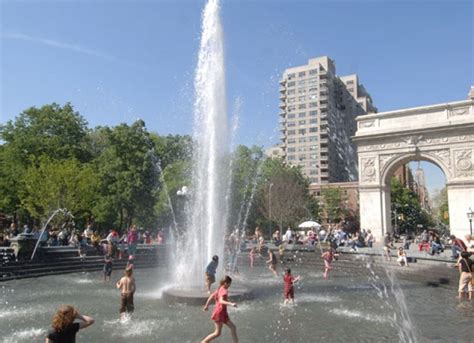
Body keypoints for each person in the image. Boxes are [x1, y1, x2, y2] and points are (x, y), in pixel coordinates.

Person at [201, 276, 238, 343]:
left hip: (223, 313)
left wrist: (206, 305)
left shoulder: (219, 288)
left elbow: (212, 296)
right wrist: (231, 304)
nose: (230, 285)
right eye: (229, 283)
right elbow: (221, 301)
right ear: (225, 283)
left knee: (233, 327)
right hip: (219, 313)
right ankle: (204, 342)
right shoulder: (224, 290)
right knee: (217, 333)